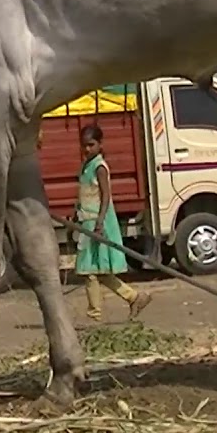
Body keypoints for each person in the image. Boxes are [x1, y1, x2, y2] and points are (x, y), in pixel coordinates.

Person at [74, 123, 152, 322]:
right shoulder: (86, 166)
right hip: (86, 221)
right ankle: (134, 297)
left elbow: (106, 195)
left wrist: (100, 222)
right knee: (95, 271)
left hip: (96, 222)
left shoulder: (99, 166)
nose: (87, 149)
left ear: (100, 144)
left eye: (91, 144)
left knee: (89, 270)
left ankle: (95, 315)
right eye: (84, 145)